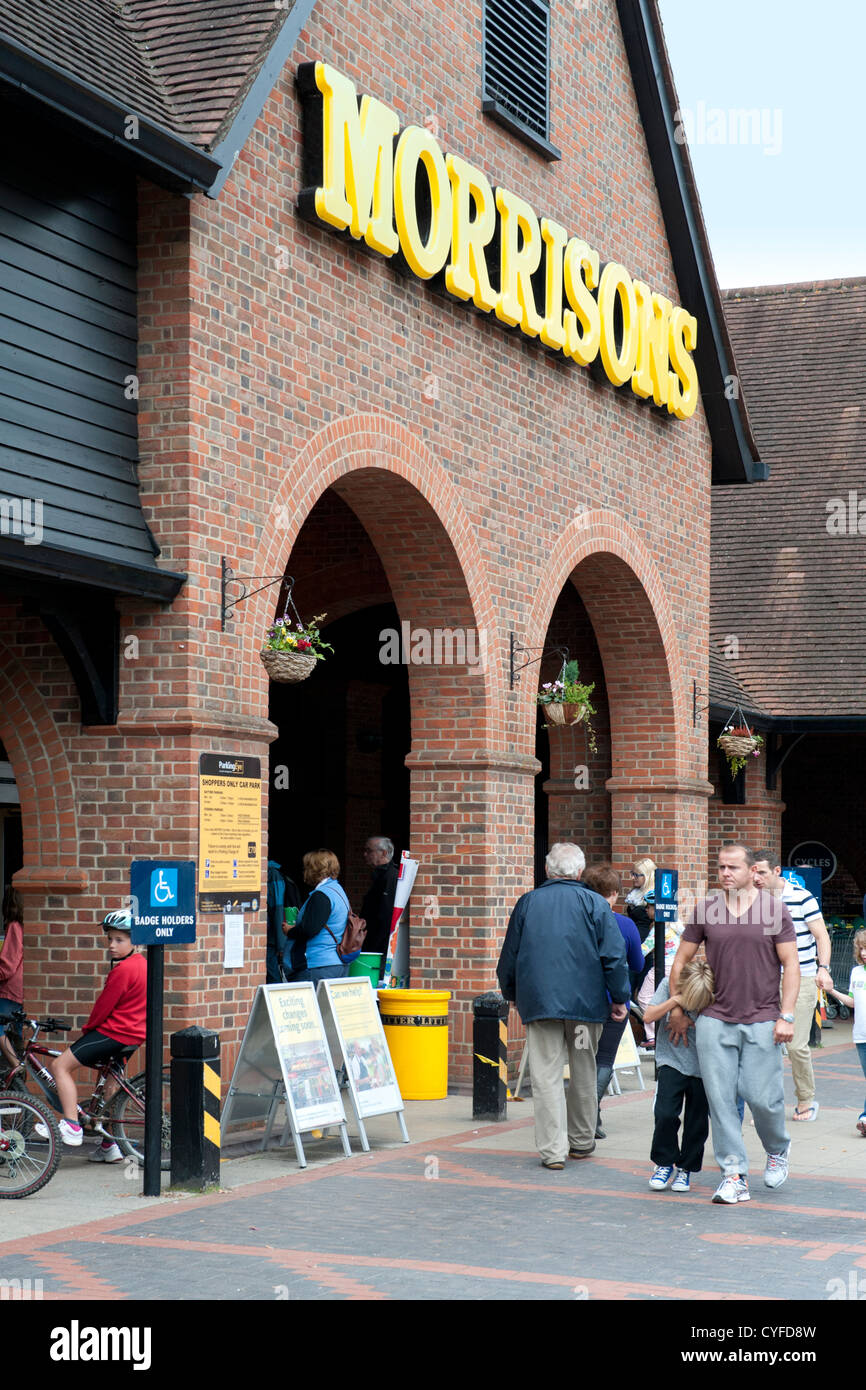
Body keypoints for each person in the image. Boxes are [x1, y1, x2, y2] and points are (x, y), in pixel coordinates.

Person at [667, 842, 799, 1205]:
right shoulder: (707, 909)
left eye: (733, 868)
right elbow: (681, 961)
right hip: (714, 1018)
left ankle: (776, 1148)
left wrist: (786, 1015)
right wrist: (678, 1007)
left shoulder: (773, 911)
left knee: (762, 1098)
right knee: (721, 1101)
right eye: (721, 867)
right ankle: (734, 1174)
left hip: (762, 1018)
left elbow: (791, 966)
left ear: (751, 872)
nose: (725, 874)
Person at [497, 842, 630, 1169]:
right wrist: (619, 998)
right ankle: (582, 1141)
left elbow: (509, 957)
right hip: (585, 1009)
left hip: (541, 1005)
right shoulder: (597, 905)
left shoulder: (528, 903)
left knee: (546, 1076)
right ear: (580, 872)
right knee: (584, 1070)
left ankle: (553, 1151)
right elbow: (613, 957)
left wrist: (511, 992)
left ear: (547, 870)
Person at [43, 908, 146, 1156]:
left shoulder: (122, 970)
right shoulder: (144, 966)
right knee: (111, 1085)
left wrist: (88, 1032)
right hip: (134, 1037)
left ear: (135, 941)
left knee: (59, 1066)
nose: (112, 945)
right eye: (110, 938)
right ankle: (110, 1144)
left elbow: (103, 1009)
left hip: (113, 1032)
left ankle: (71, 1125)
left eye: (119, 940)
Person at [752, 853, 834, 1122]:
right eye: (753, 872)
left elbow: (821, 935)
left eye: (762, 873)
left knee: (796, 1045)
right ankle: (767, 1106)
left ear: (777, 871)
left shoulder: (802, 897)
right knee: (763, 1046)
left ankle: (805, 1099)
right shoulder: (753, 901)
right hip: (765, 981)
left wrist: (824, 968)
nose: (756, 878)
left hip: (802, 978)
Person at [581, 862, 643, 1139]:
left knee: (580, 1057)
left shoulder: (577, 920)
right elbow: (638, 964)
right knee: (604, 1058)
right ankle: (591, 1113)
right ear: (615, 893)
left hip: (579, 1002)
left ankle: (582, 1114)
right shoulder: (625, 924)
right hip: (613, 1002)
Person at [643, 959, 714, 1194]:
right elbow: (648, 1015)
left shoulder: (714, 991)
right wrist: (675, 1002)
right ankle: (664, 1163)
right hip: (671, 1059)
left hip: (704, 1066)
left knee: (697, 1121)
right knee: (664, 1113)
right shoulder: (668, 985)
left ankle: (686, 1169)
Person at [283, 849, 352, 982]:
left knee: (313, 1002)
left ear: (314, 870)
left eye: (306, 868)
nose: (304, 872)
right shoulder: (338, 891)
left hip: (319, 964)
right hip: (337, 962)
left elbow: (310, 929)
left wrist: (290, 930)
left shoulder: (321, 895)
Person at [826, 928, 866, 1136]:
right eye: (861, 948)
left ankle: (865, 1118)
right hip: (861, 1035)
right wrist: (832, 990)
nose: (864, 953)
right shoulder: (856, 972)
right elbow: (852, 1002)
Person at [360, 836, 399, 973]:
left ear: (383, 853)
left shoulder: (390, 877)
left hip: (379, 949)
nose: (365, 854)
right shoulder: (381, 876)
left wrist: (374, 946)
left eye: (369, 851)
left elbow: (386, 915)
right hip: (375, 946)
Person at [266, 859, 301, 983]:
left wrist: (281, 946)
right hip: (274, 938)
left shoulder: (273, 875)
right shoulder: (275, 874)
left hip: (271, 940)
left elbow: (278, 909)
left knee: (274, 978)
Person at [625, 857, 656, 995]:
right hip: (632, 945)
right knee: (628, 988)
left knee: (642, 991)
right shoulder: (635, 894)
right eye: (633, 873)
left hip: (645, 948)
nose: (633, 877)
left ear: (648, 876)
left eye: (637, 874)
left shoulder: (653, 896)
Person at [0, 886, 24, 1033]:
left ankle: (13, 1058)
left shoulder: (15, 926)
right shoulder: (27, 925)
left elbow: (8, 966)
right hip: (24, 988)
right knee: (20, 1031)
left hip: (12, 989)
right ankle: (21, 1056)